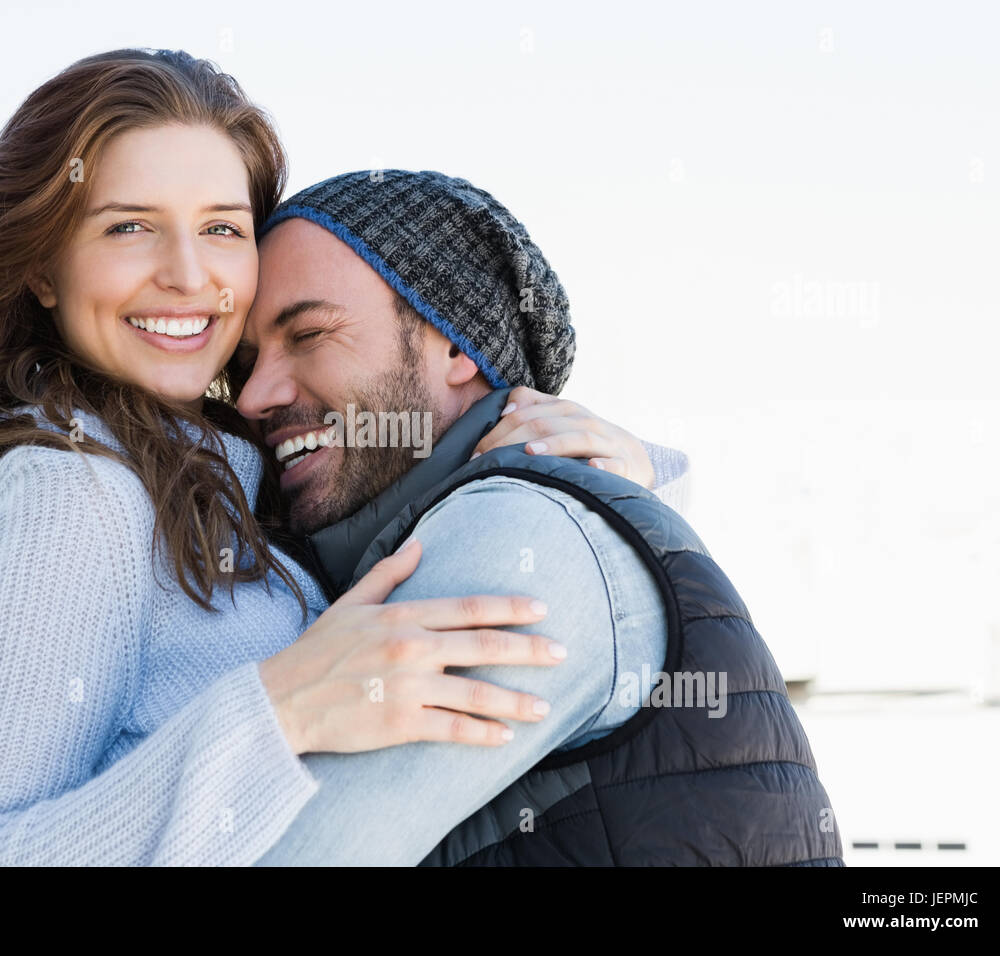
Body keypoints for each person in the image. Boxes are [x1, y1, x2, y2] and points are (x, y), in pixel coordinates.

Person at [0, 48, 671, 866]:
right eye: (129, 226)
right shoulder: (72, 490)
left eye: (221, 228)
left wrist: (625, 470)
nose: (189, 277)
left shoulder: (230, 473)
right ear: (45, 269)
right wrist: (276, 710)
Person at [234, 170, 845, 866]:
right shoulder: (474, 529)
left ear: (457, 343)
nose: (255, 395)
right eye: (246, 363)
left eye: (309, 333)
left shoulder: (516, 534)